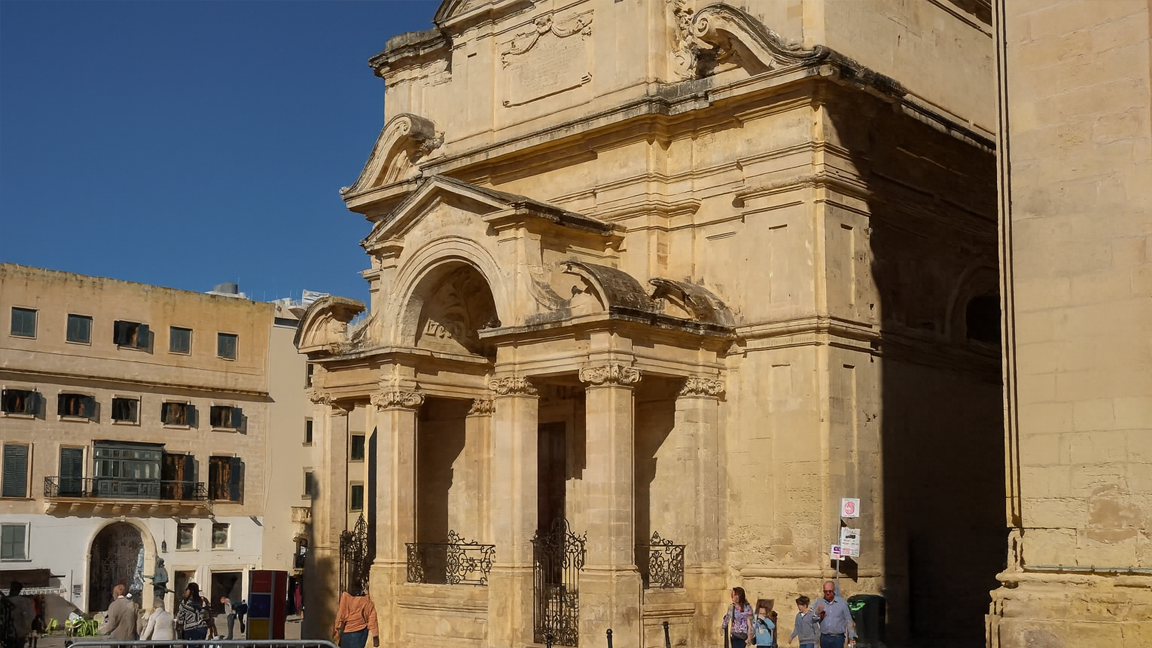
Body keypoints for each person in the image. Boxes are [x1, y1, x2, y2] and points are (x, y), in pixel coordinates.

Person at [812, 582, 855, 648]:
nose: (827, 593)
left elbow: (848, 620)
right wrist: (816, 612)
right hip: (825, 637)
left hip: (838, 638)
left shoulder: (842, 603)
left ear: (834, 590)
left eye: (829, 591)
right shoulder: (819, 602)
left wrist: (851, 637)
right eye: (825, 591)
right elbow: (812, 620)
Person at [4, 581, 36, 648]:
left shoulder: (4, 601)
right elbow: (30, 616)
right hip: (18, 633)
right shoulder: (22, 602)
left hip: (7, 633)